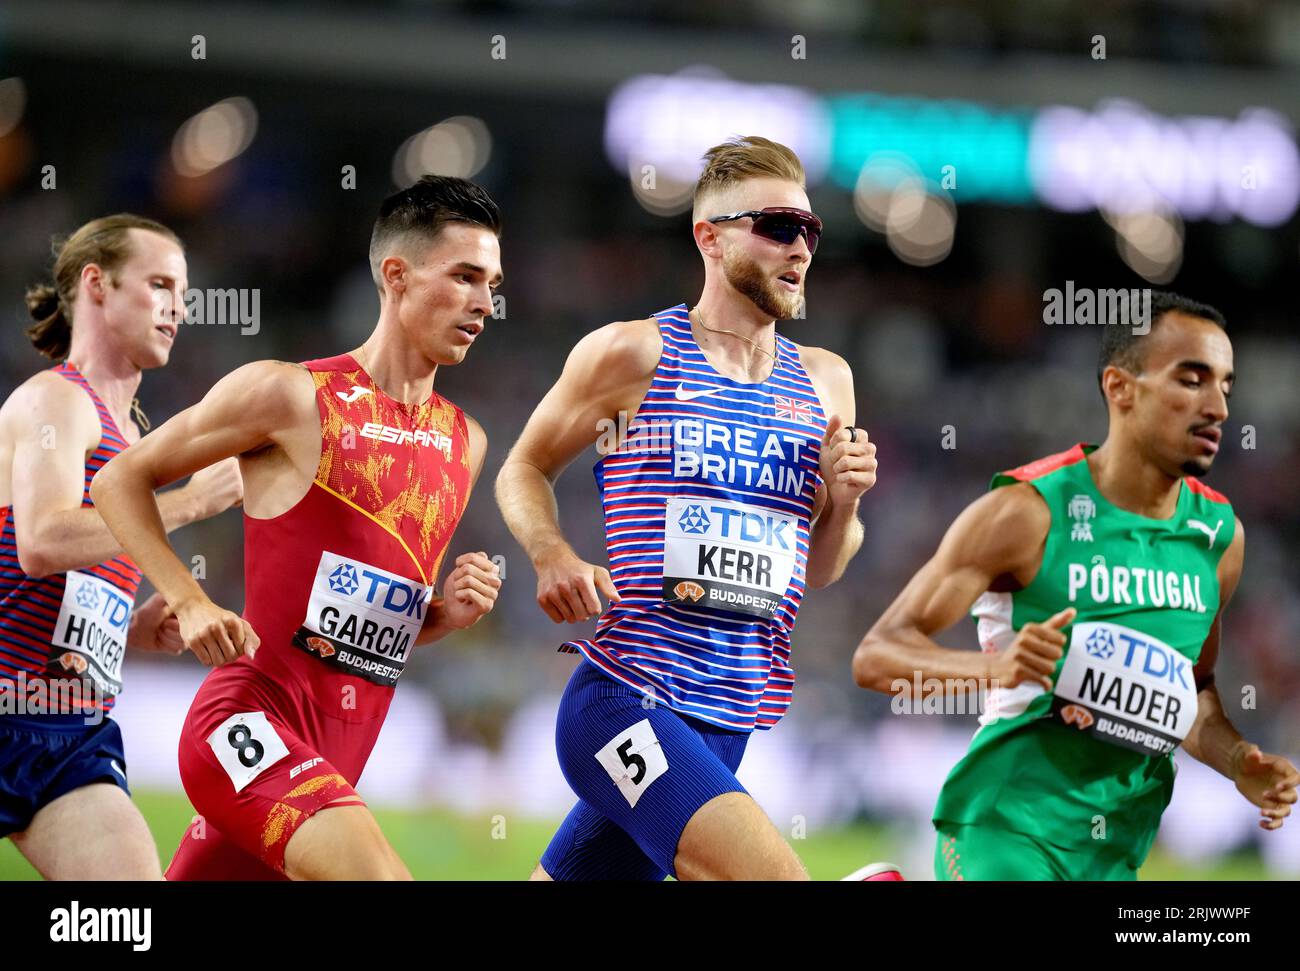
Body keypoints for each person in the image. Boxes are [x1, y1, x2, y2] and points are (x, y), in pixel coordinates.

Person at [91, 176, 504, 880]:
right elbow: (117, 481)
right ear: (396, 275)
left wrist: (441, 615)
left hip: (335, 758)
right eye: (465, 277)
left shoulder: (465, 442)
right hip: (244, 723)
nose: (483, 303)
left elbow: (355, 632)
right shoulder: (287, 395)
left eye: (491, 284)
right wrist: (188, 599)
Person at [497, 135, 882, 881]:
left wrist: (847, 500)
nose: (799, 248)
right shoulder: (633, 353)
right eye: (777, 226)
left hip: (729, 718)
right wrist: (552, 552)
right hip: (624, 699)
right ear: (709, 236)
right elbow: (523, 466)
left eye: (810, 230)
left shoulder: (828, 381)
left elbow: (824, 568)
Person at [852, 292, 1299, 880]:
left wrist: (1237, 757)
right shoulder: (1026, 512)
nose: (1216, 405)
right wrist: (996, 670)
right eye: (1191, 380)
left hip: (1116, 854)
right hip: (1005, 826)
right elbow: (876, 657)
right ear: (1120, 388)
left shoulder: (1220, 539)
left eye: (1225, 386)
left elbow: (1189, 696)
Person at [0, 214, 242, 879]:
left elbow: (52, 588)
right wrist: (190, 501)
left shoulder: (132, 441)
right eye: (159, 284)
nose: (177, 307)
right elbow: (42, 540)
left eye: (185, 293)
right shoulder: (56, 403)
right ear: (96, 285)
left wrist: (129, 629)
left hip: (70, 732)